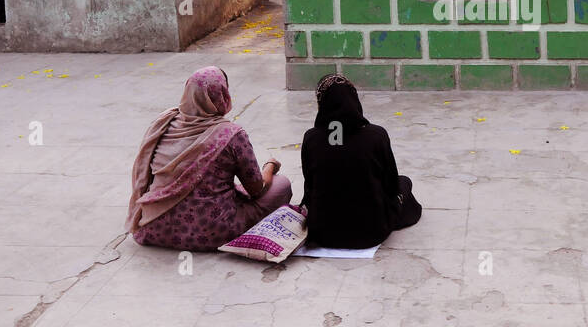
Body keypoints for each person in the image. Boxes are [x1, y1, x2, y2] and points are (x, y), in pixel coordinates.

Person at [127, 66, 291, 251]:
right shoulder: (231, 134)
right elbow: (256, 189)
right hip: (212, 232)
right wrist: (270, 166)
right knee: (281, 185)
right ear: (222, 94)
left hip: (153, 227)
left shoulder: (163, 123)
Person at [300, 74, 421, 249]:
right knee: (404, 183)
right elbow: (391, 184)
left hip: (323, 233)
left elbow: (309, 185)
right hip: (371, 232)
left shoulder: (311, 138)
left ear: (322, 104)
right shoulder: (376, 136)